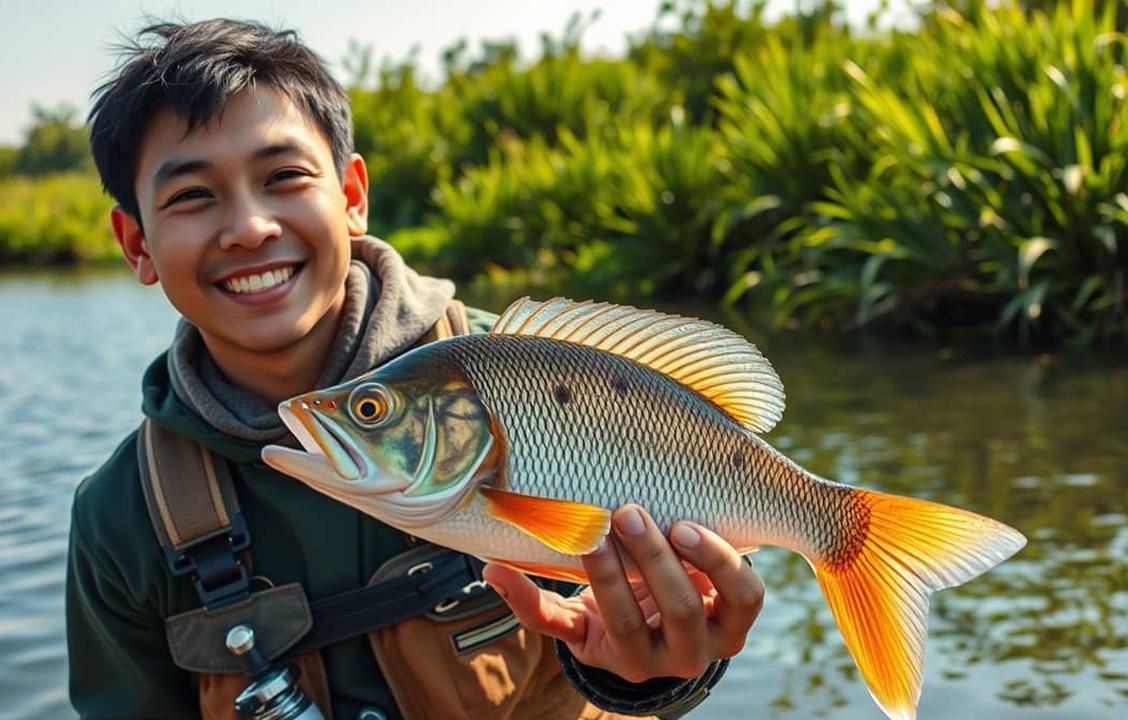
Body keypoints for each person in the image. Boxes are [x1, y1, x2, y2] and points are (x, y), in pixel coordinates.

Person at [66, 18, 765, 720]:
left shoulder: (538, 377)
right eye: (192, 195)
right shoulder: (120, 518)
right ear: (137, 244)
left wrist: (651, 675)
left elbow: (671, 647)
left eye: (283, 176)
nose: (249, 228)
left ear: (352, 197)